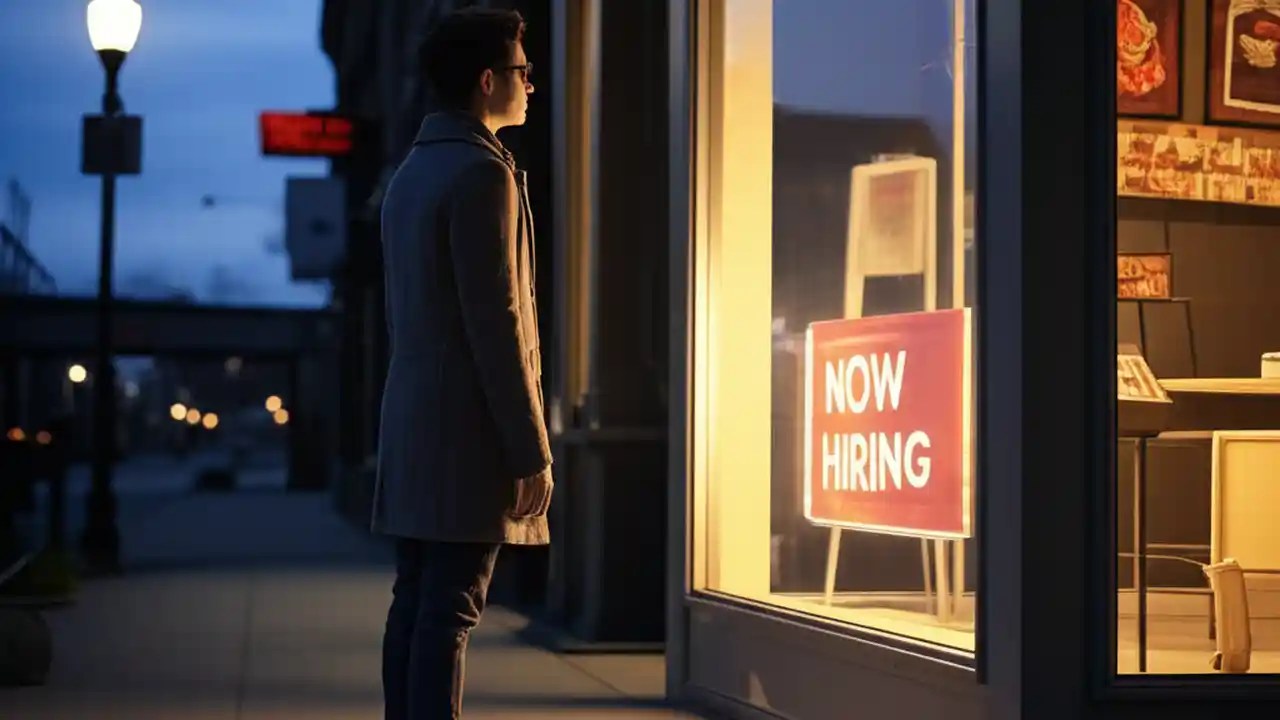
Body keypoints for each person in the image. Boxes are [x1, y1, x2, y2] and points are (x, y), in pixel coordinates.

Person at [372, 8, 552, 719]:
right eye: (522, 70)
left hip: (414, 420)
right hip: (466, 432)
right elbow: (496, 323)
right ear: (486, 80)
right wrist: (530, 449)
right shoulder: (482, 173)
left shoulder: (411, 173)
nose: (531, 84)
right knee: (449, 609)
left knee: (417, 601)